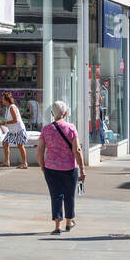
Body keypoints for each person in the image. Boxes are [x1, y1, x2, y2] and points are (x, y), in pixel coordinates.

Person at [36, 100, 86, 234]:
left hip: (51, 168)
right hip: (70, 168)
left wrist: (42, 166)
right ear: (66, 113)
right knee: (69, 195)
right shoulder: (71, 128)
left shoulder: (46, 129)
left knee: (56, 195)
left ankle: (57, 226)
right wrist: (82, 168)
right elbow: (77, 150)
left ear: (52, 113)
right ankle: (69, 223)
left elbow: (40, 150)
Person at [0, 91, 29, 168]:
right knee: (5, 143)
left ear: (6, 100)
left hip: (18, 129)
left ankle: (25, 163)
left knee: (20, 145)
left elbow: (15, 120)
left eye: (3, 99)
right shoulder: (8, 108)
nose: (2, 101)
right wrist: (3, 122)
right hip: (12, 131)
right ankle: (7, 162)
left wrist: (4, 123)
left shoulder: (12, 107)